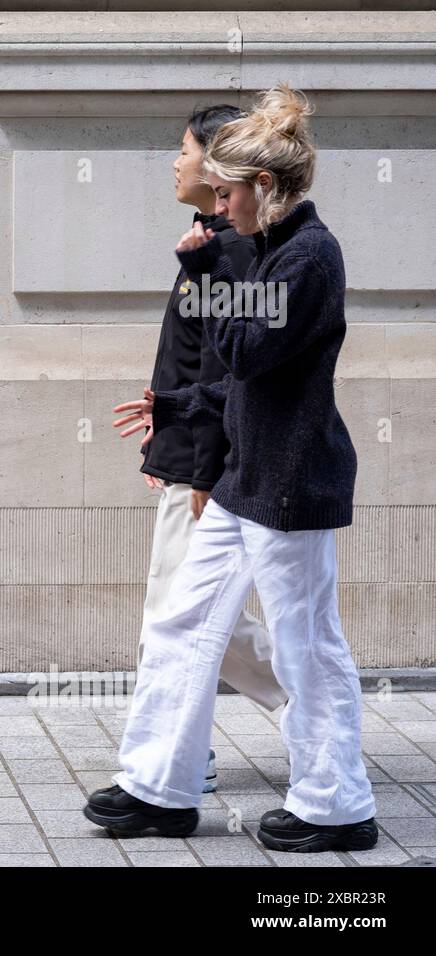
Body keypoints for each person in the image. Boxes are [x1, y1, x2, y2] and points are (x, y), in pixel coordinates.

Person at [86, 85, 377, 853]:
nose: (219, 201)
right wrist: (176, 409)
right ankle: (159, 789)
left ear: (265, 189)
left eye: (227, 190)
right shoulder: (279, 250)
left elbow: (250, 348)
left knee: (306, 643)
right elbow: (247, 375)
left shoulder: (310, 257)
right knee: (183, 625)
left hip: (290, 483)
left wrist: (210, 271)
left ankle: (338, 805)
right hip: (250, 479)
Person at [139, 105, 288, 793]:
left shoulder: (225, 253)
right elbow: (192, 362)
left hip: (205, 463)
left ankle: (180, 757)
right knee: (191, 615)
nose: (174, 162)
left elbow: (226, 375)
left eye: (183, 150)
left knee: (177, 617)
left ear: (217, 162)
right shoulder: (210, 242)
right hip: (189, 448)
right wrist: (160, 427)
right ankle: (302, 707)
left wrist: (199, 468)